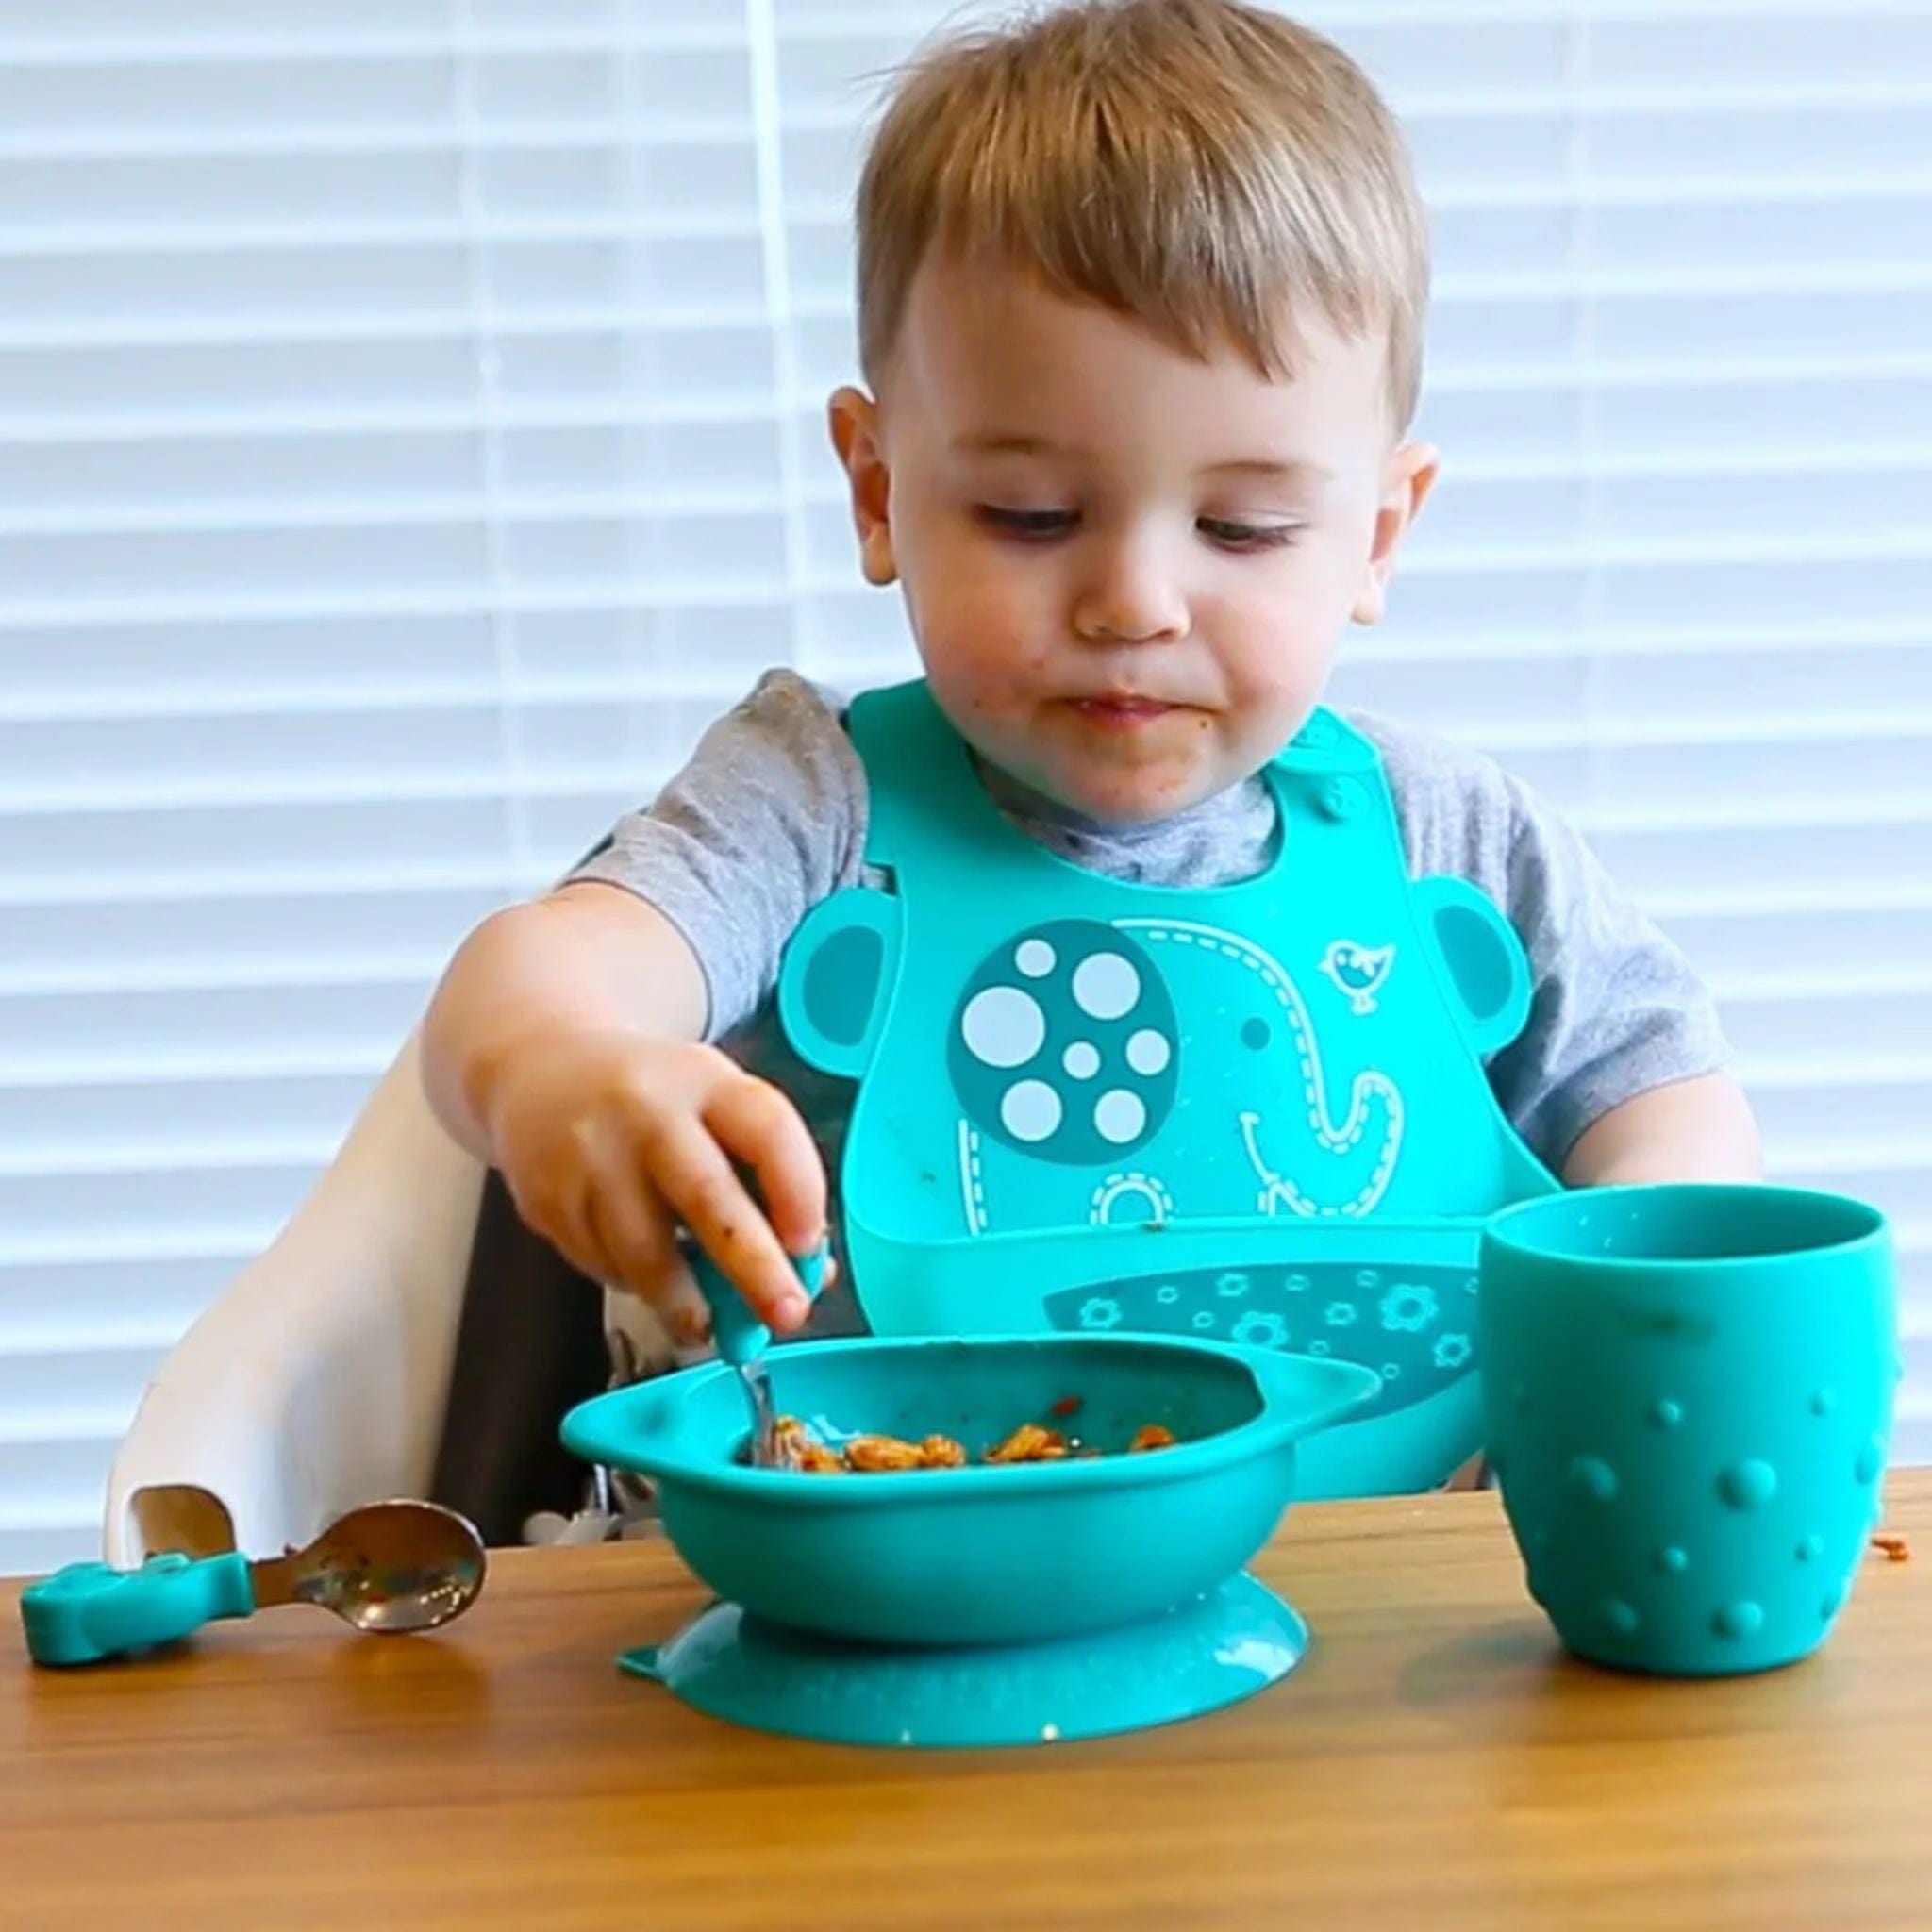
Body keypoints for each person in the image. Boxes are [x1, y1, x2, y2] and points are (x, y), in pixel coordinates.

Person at [420, 0, 1761, 1402]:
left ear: (1376, 533)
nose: (1135, 601)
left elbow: (1665, 1114)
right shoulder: (815, 805)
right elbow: (543, 972)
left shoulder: (1457, 841)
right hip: (902, 1588)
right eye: (1032, 513)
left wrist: (1623, 1324)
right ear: (879, 492)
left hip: (1387, 1581)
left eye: (1242, 530)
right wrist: (554, 1066)